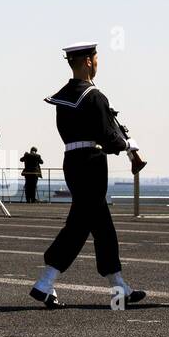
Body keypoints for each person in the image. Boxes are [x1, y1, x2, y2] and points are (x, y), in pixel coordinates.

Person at [30, 42, 146, 309]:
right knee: (83, 225)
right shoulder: (95, 96)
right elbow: (107, 136)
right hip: (92, 163)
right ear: (88, 62)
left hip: (72, 160)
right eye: (96, 58)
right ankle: (45, 282)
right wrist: (128, 145)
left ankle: (119, 286)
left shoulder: (65, 97)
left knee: (99, 226)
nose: (97, 63)